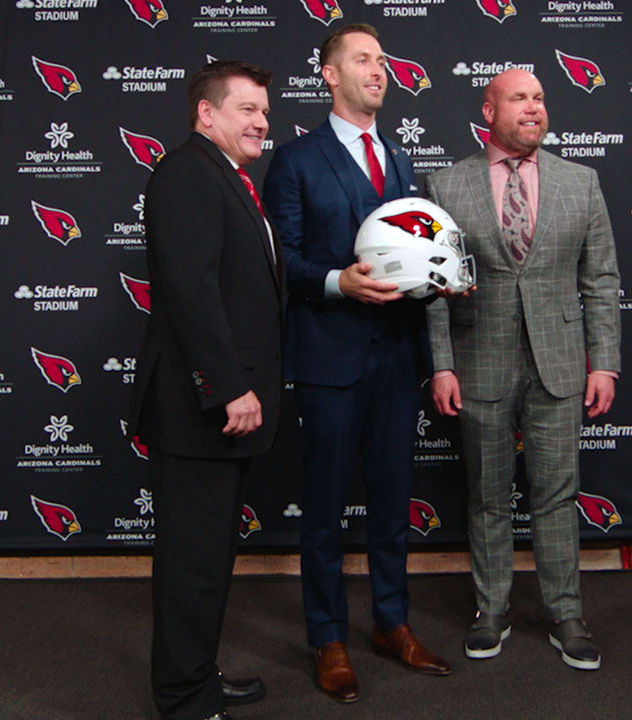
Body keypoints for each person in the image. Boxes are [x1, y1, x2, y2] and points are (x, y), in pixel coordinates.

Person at [262, 22, 451, 704]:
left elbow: (416, 254)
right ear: (329, 75)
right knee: (324, 508)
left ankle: (391, 625)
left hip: (396, 357)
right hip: (330, 356)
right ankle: (329, 637)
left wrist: (444, 276)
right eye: (364, 60)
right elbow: (280, 262)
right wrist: (341, 282)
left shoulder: (399, 159)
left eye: (383, 61)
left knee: (394, 504)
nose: (380, 71)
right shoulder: (295, 160)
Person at [425, 69, 621, 671]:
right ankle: (492, 609)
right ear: (490, 110)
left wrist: (605, 364)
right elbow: (433, 285)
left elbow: (602, 280)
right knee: (487, 494)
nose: (534, 107)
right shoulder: (446, 184)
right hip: (478, 361)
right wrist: (441, 366)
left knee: (557, 494)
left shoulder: (581, 182)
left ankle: (566, 613)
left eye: (539, 97)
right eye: (519, 98)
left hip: (560, 363)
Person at [128, 60, 285, 720]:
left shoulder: (223, 176)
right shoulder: (187, 174)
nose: (260, 123)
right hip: (199, 413)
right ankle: (185, 702)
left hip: (218, 413)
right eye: (246, 109)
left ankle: (197, 677)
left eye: (265, 113)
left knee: (210, 560)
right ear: (206, 114)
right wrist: (228, 388)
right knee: (192, 565)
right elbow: (193, 294)